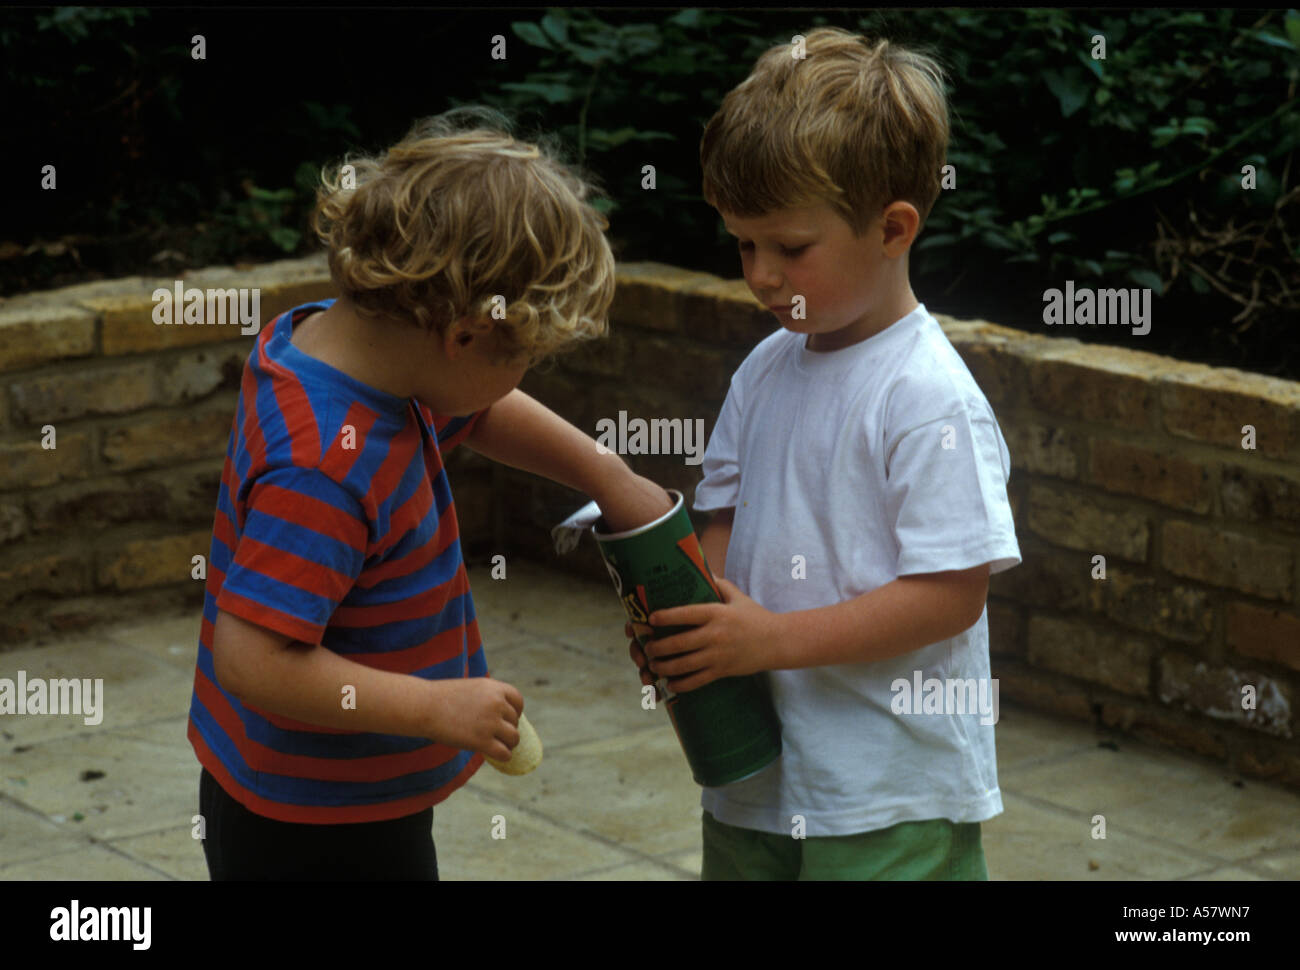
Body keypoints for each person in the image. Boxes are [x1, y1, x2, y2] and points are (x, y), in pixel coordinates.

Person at [189, 107, 671, 880]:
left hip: (346, 792)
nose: (523, 376)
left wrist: (606, 475)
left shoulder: (352, 350)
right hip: (308, 820)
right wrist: (435, 706)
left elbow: (474, 406)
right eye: (525, 357)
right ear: (467, 336)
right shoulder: (326, 468)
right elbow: (252, 659)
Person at [628, 27, 1021, 880]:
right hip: (755, 778)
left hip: (888, 795)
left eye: (789, 247)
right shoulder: (763, 369)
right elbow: (721, 526)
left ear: (893, 228)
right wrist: (699, 629)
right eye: (743, 244)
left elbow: (949, 597)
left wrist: (767, 640)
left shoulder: (929, 396)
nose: (761, 275)